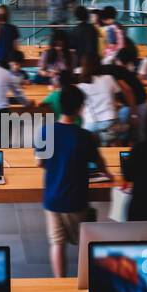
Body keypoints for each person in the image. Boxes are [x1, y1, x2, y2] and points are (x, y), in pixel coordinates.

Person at [38, 83, 105, 278]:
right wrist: (107, 174)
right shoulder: (85, 136)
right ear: (80, 108)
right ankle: (84, 280)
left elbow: (39, 162)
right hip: (76, 199)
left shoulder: (46, 131)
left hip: (52, 198)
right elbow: (98, 162)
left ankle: (59, 284)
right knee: (85, 242)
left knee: (57, 244)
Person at [76, 51, 124, 145]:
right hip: (110, 121)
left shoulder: (81, 85)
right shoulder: (109, 78)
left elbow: (79, 109)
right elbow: (119, 100)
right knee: (111, 152)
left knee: (89, 152)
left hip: (90, 124)